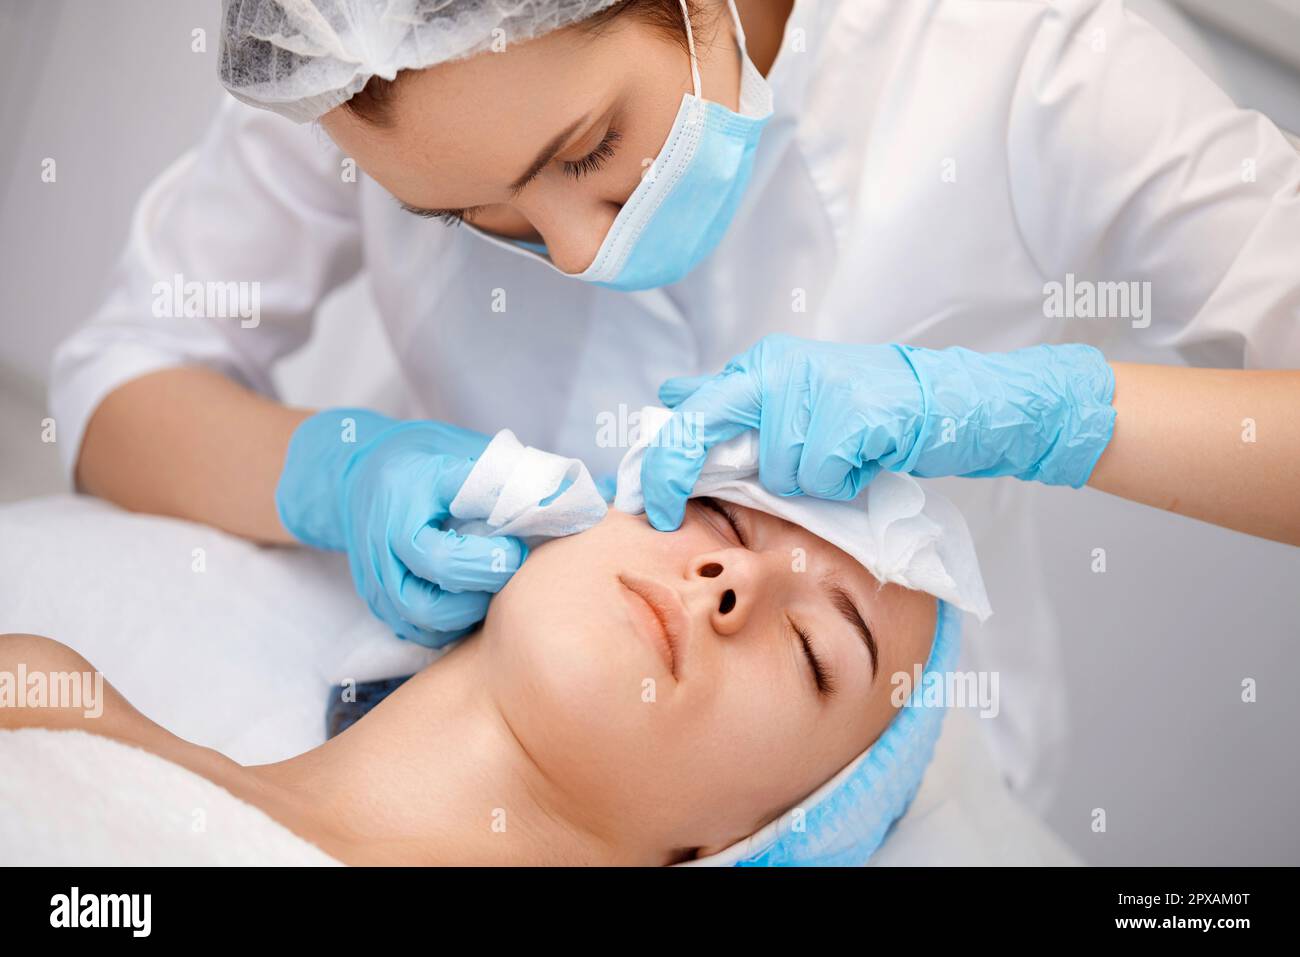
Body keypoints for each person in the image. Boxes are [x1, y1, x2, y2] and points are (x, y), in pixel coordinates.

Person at [50, 0, 1300, 808]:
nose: (572, 252)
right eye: (466, 218)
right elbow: (123, 382)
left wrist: (1038, 415)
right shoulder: (356, 39)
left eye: (587, 152)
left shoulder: (1035, 63)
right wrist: (337, 470)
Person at [0, 499, 939, 865]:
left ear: (747, 843)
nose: (737, 581)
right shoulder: (42, 701)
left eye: (815, 650)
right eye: (721, 518)